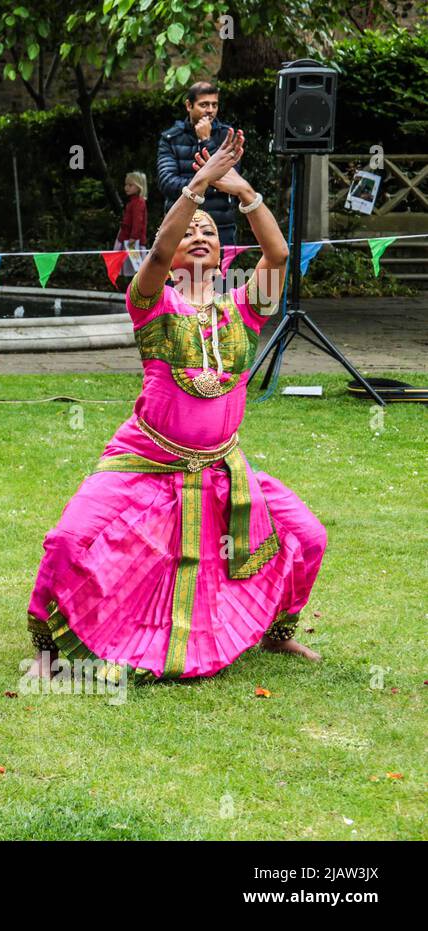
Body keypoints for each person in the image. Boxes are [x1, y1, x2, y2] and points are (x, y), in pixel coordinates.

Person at [26, 129, 326, 681]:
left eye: (208, 231)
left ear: (222, 249)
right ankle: (52, 645)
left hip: (221, 468)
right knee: (70, 539)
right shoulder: (152, 302)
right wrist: (196, 187)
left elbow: (279, 253)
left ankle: (278, 631)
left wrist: (243, 192)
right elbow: (159, 249)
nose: (198, 235)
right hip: (145, 460)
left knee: (307, 534)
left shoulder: (245, 310)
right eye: (190, 229)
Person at [157, 81, 241, 247]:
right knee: (181, 274)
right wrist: (208, 183)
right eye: (204, 104)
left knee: (220, 274)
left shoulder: (227, 136)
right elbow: (167, 183)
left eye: (214, 105)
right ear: (189, 105)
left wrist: (206, 141)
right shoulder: (170, 138)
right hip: (181, 225)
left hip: (220, 227)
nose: (210, 110)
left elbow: (232, 181)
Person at [114, 170, 149, 277]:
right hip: (127, 240)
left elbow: (138, 223)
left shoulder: (138, 203)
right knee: (130, 267)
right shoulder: (133, 202)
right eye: (126, 185)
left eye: (130, 185)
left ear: (139, 186)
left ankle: (135, 289)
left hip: (133, 242)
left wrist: (133, 239)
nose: (126, 188)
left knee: (136, 267)